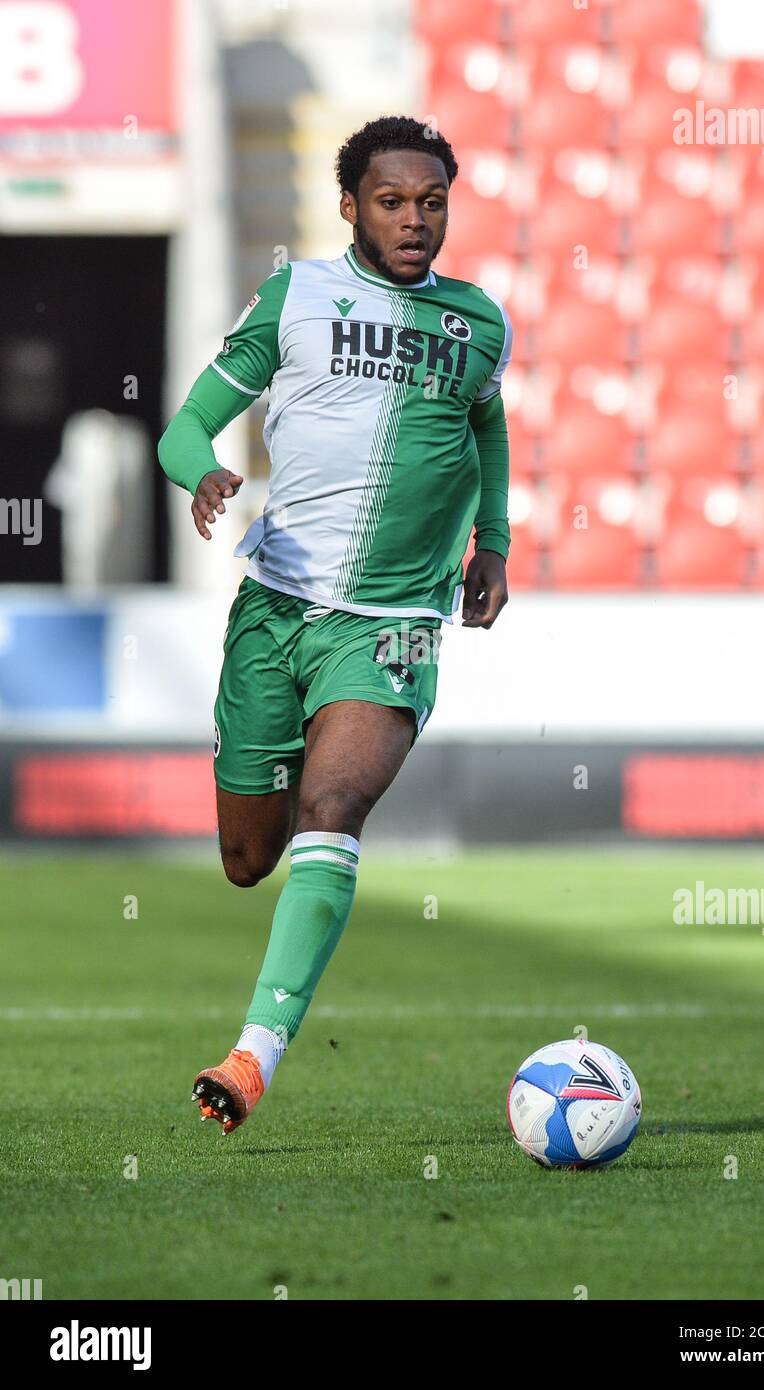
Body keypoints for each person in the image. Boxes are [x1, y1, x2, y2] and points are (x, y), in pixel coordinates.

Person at [158, 115, 512, 1132]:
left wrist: (492, 536)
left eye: (432, 202)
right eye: (393, 201)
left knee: (334, 807)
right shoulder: (297, 297)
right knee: (246, 856)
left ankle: (252, 1056)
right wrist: (205, 471)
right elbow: (184, 425)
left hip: (393, 621)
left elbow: (485, 413)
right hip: (276, 610)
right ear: (350, 205)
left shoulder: (477, 322)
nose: (415, 220)